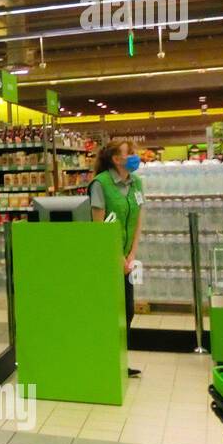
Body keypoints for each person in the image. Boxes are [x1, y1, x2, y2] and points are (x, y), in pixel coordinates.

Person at [89, 140, 145, 378]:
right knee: (111, 311)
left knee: (128, 310)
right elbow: (99, 226)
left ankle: (120, 361)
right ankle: (105, 360)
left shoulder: (137, 183)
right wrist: (118, 257)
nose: (135, 156)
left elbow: (138, 219)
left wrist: (132, 254)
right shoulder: (100, 184)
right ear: (116, 159)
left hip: (126, 259)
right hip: (107, 259)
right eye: (129, 153)